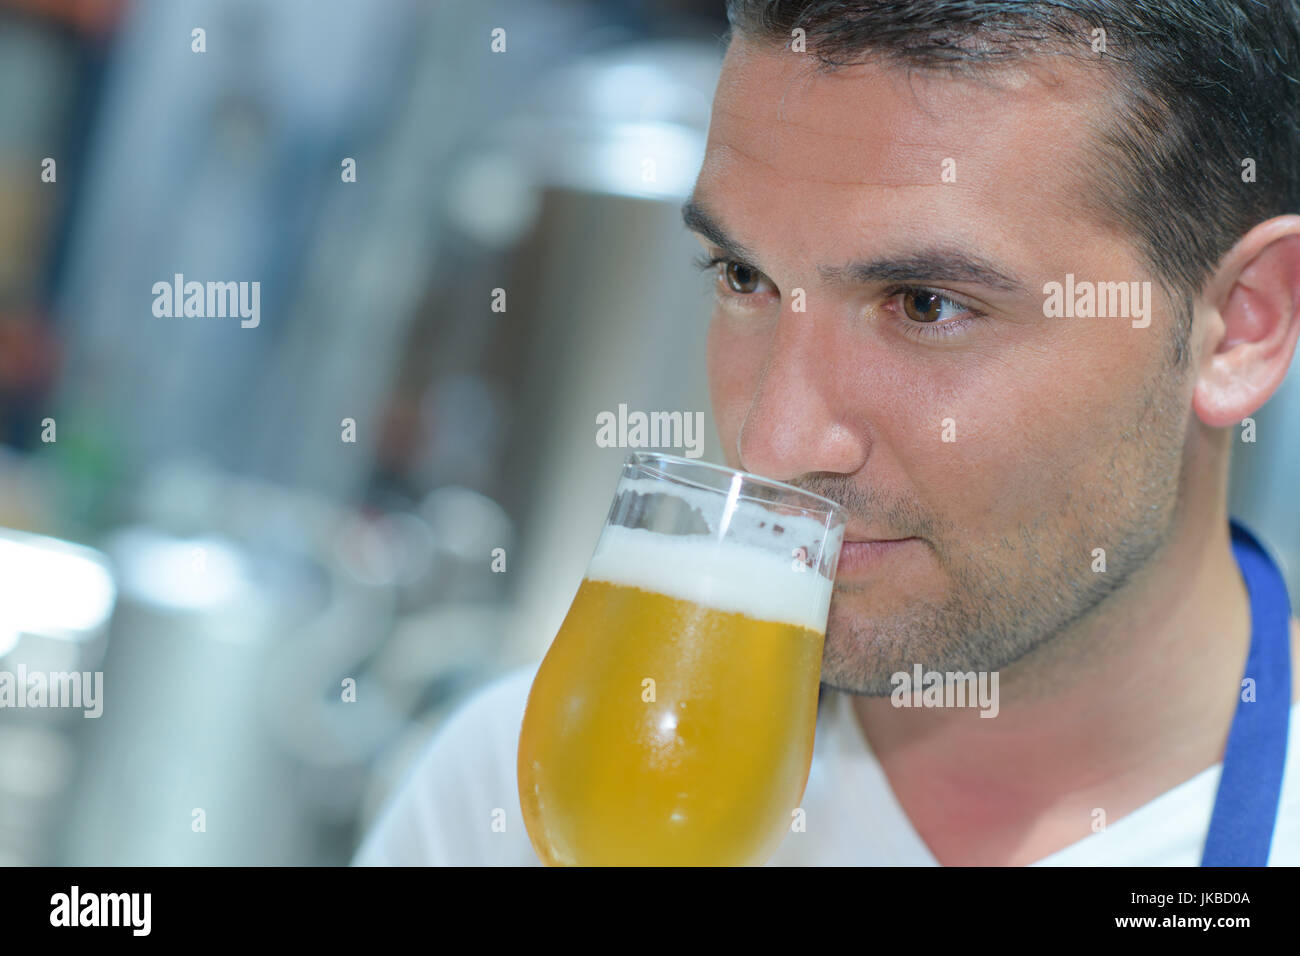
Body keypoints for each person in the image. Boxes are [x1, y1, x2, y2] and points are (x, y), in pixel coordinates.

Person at [354, 0, 1300, 866]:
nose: (774, 440)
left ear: (1242, 327)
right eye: (742, 277)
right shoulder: (539, 795)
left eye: (926, 305)